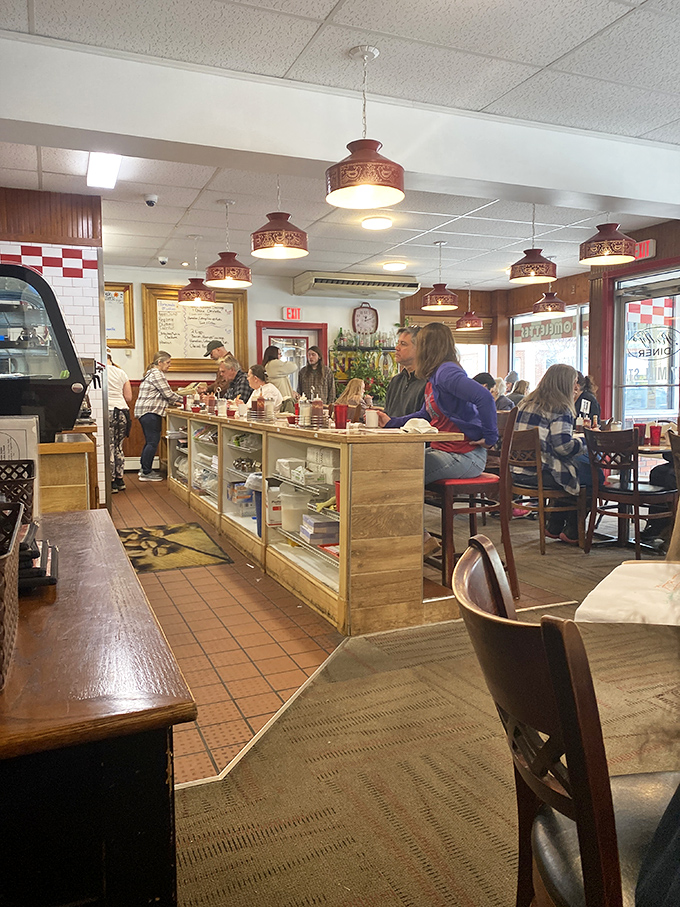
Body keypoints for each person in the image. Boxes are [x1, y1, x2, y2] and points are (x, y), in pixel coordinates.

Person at [378, 322, 498, 485]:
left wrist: (490, 438)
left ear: (428, 347)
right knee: (391, 465)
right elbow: (425, 414)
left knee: (399, 474)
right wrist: (391, 422)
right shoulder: (435, 375)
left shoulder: (446, 372)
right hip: (443, 451)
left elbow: (485, 397)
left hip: (464, 455)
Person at [512, 363, 599, 544]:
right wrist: (587, 440)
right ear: (566, 383)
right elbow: (563, 447)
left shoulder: (525, 403)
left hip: (517, 472)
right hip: (540, 474)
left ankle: (555, 525)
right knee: (593, 475)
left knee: (576, 472)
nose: (576, 387)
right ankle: (572, 530)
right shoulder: (560, 407)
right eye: (574, 382)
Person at [135, 350, 183, 481]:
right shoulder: (157, 374)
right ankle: (146, 472)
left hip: (145, 412)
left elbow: (163, 395)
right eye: (168, 362)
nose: (169, 365)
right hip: (150, 412)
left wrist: (176, 400)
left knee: (150, 442)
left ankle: (144, 469)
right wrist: (186, 400)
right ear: (159, 362)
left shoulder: (150, 373)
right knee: (152, 442)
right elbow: (168, 394)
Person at [383, 326, 426, 418]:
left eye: (403, 344)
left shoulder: (427, 382)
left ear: (419, 349)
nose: (397, 348)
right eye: (398, 343)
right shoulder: (396, 381)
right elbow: (387, 416)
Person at [106, 350, 132, 494]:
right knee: (118, 446)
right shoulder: (121, 372)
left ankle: (111, 481)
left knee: (109, 446)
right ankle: (120, 479)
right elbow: (128, 397)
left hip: (108, 411)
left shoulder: (100, 372)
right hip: (123, 412)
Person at [262, 346, 296, 413]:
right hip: (283, 400)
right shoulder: (274, 363)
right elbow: (293, 366)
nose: (281, 356)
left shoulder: (268, 365)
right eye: (279, 354)